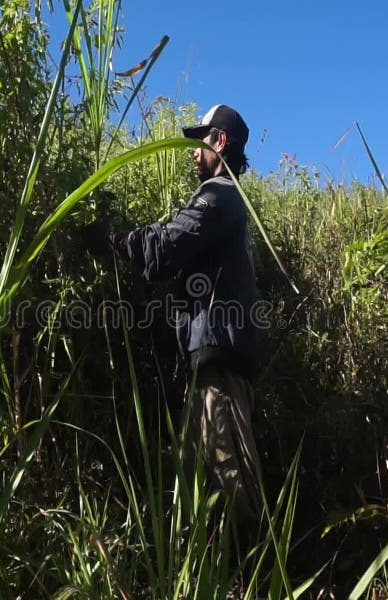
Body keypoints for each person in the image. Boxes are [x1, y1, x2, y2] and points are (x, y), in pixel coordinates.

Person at [82, 104, 263, 521]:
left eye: (199, 140)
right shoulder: (226, 203)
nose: (193, 150)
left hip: (219, 370)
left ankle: (261, 575)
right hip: (208, 365)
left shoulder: (220, 197)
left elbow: (164, 247)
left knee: (235, 490)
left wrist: (111, 241)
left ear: (220, 141)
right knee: (197, 491)